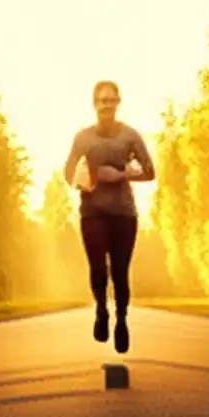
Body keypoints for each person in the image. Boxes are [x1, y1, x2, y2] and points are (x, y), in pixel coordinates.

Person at [63, 80, 156, 354]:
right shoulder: (83, 138)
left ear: (118, 103)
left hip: (124, 213)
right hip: (92, 212)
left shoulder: (130, 136)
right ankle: (102, 310)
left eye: (111, 100)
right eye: (102, 100)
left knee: (120, 272)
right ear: (95, 104)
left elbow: (150, 171)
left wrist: (124, 173)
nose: (106, 105)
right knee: (98, 269)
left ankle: (122, 320)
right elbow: (68, 174)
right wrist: (91, 176)